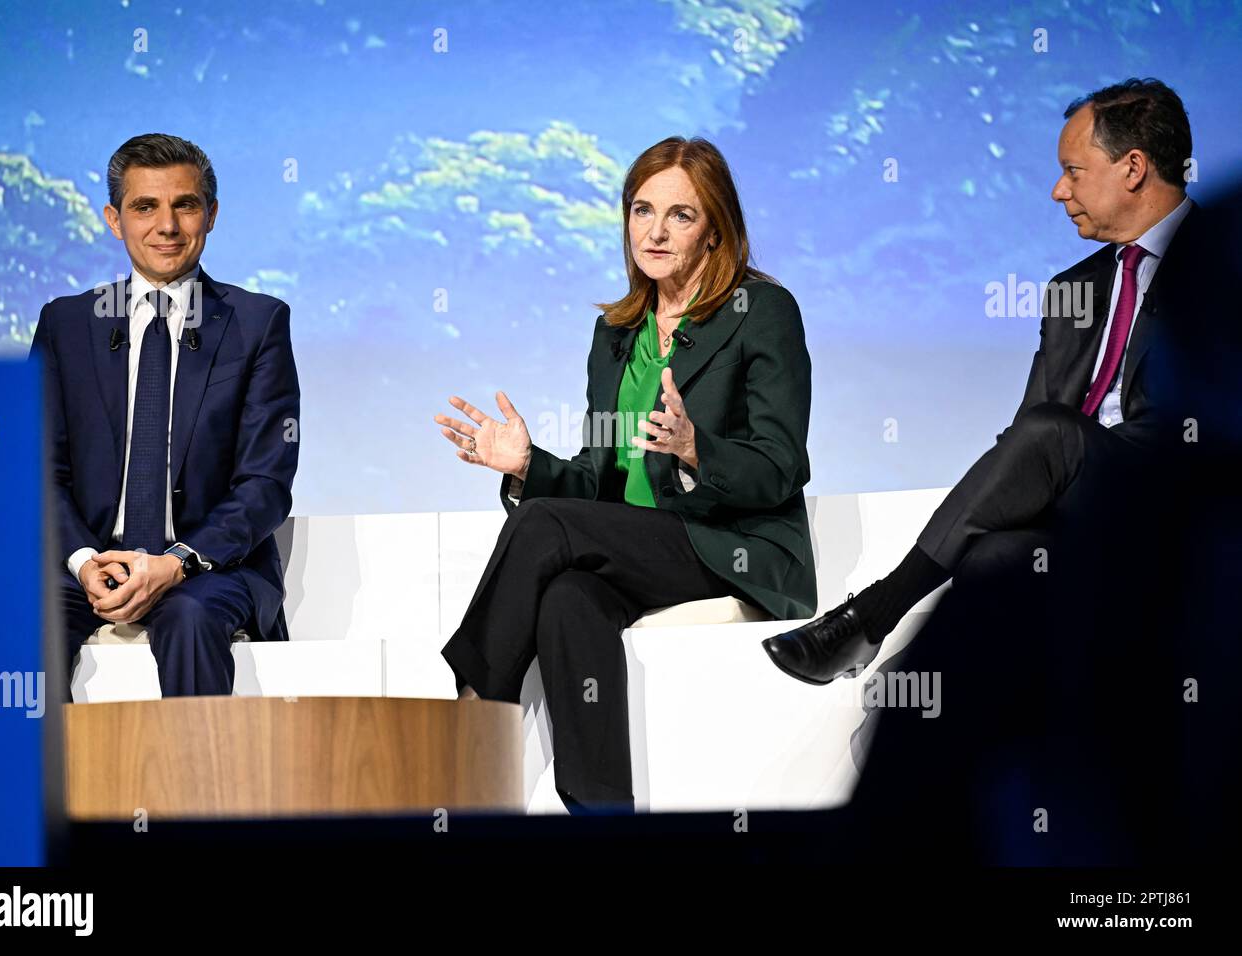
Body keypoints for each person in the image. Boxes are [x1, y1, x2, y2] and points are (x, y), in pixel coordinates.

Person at [764, 77, 1213, 685]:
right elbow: (1031, 430)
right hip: (1083, 503)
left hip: (1180, 503)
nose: (1059, 191)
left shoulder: (1224, 260)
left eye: (1074, 171)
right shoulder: (1070, 290)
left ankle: (870, 618)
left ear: (1133, 168)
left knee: (1053, 435)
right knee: (994, 557)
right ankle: (940, 709)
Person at [435, 136, 815, 812]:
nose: (656, 231)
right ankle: (603, 815)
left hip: (725, 544)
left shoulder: (762, 313)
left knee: (544, 523)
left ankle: (471, 717)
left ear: (715, 229)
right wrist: (528, 465)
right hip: (637, 544)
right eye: (642, 211)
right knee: (568, 597)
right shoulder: (617, 332)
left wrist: (699, 451)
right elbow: (596, 483)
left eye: (681, 215)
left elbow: (780, 468)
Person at [31, 133, 301, 696]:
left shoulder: (257, 323)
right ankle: (30, 786)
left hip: (210, 570)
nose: (167, 226)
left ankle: (198, 786)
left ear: (212, 214)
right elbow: (36, 472)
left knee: (189, 617)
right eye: (144, 206)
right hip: (88, 564)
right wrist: (84, 561)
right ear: (114, 218)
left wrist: (177, 561)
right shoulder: (65, 326)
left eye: (186, 205)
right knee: (18, 624)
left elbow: (265, 484)